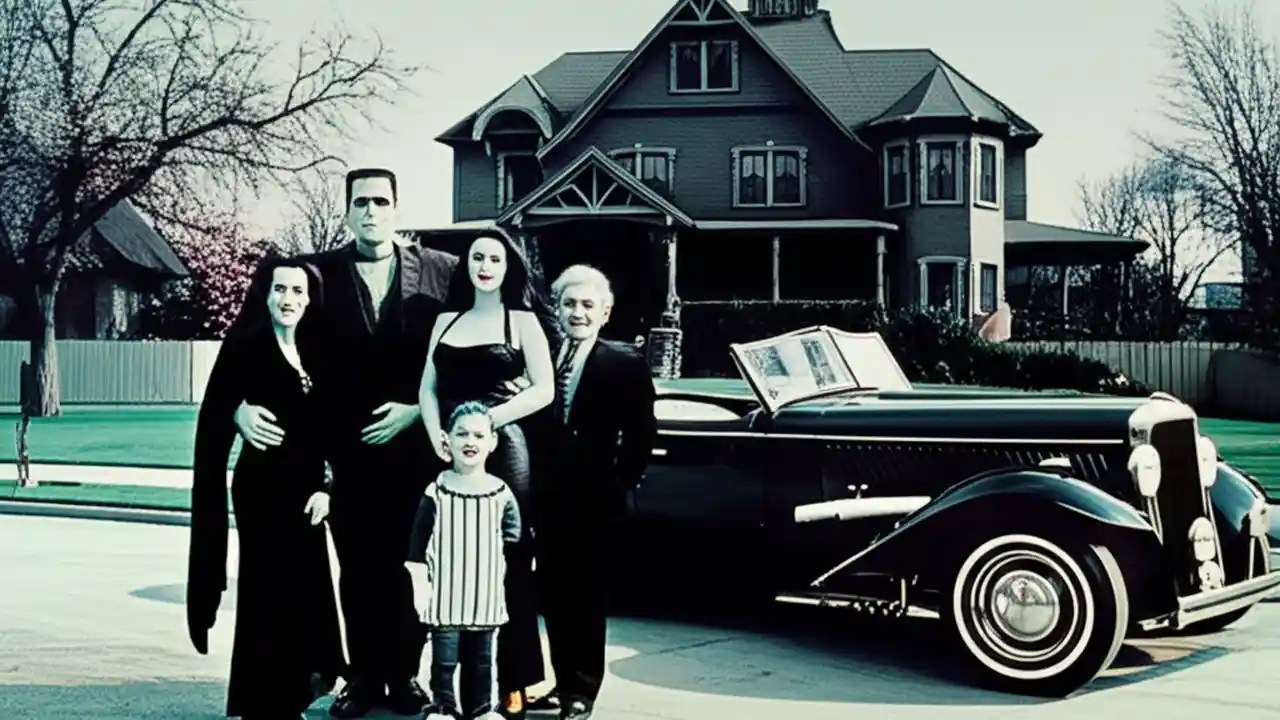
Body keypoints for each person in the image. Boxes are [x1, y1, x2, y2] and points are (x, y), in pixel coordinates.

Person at [233, 168, 458, 718]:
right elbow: (260, 335)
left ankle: (405, 676)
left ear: (397, 208)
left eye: (382, 201)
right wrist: (236, 406)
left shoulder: (443, 272)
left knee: (403, 569)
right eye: (361, 202)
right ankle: (363, 679)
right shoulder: (319, 273)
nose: (371, 211)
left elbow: (468, 351)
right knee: (357, 567)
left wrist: (416, 412)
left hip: (416, 450)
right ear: (347, 211)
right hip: (344, 452)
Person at [186, 258, 346, 719]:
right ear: (266, 293)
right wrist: (236, 410)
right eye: (280, 289)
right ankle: (264, 700)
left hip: (309, 495)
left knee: (308, 588)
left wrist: (329, 487)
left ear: (310, 298)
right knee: (267, 591)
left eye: (298, 291)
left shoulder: (319, 349)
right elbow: (213, 412)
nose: (288, 299)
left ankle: (297, 690)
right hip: (262, 490)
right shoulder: (246, 345)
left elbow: (335, 428)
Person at [418, 228, 557, 719]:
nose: (484, 265)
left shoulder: (521, 321)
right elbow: (427, 389)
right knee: (450, 563)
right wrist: (440, 433)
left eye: (494, 258)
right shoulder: (444, 322)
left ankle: (516, 681)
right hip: (447, 451)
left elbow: (543, 390)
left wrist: (484, 424)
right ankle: (445, 693)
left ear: (507, 267)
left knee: (509, 565)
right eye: (477, 257)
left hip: (502, 449)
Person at [527, 265, 657, 720]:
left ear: (605, 311)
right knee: (554, 596)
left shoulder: (625, 363)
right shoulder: (542, 357)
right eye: (568, 304)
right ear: (556, 308)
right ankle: (561, 684)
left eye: (587, 306)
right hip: (545, 497)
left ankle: (582, 690)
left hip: (594, 501)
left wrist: (620, 484)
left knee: (584, 598)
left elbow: (642, 436)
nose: (577, 314)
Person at [406, 401, 522, 720]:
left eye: (478, 435)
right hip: (446, 597)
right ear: (447, 441)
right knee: (444, 661)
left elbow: (513, 539)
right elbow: (417, 548)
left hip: (484, 599)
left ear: (492, 442)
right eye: (462, 434)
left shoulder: (500, 493)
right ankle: (444, 706)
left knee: (482, 660)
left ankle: (481, 708)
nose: (470, 442)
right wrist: (420, 586)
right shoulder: (437, 492)